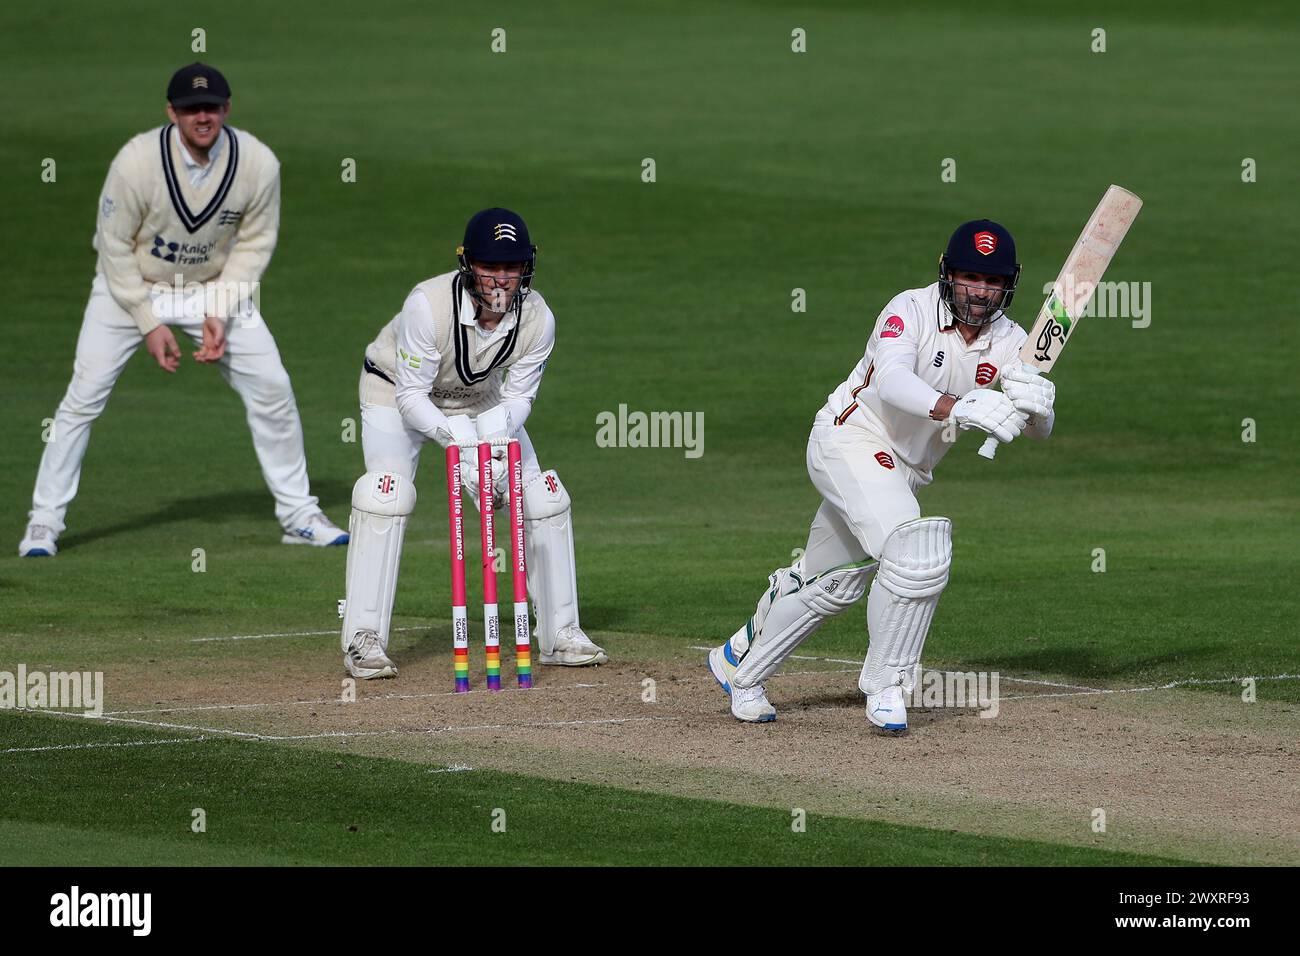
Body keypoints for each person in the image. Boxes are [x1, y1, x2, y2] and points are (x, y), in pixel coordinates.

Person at [708, 219, 1056, 730]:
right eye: (969, 278)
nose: (979, 292)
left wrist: (1040, 408)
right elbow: (892, 380)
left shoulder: (1011, 341)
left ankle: (742, 672)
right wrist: (955, 407)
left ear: (1009, 285)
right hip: (851, 438)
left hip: (906, 469)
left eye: (992, 281)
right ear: (947, 274)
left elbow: (1035, 431)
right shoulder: (908, 309)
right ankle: (886, 685)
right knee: (916, 552)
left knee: (834, 582)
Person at [18, 63, 345, 557]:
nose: (202, 116)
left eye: (211, 106)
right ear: (171, 112)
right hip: (129, 286)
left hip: (209, 286)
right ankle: (44, 522)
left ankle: (299, 514)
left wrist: (220, 308)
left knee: (272, 386)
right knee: (83, 398)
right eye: (191, 108)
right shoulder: (135, 162)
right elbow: (113, 247)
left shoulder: (258, 163)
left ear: (227, 109)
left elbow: (254, 245)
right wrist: (147, 322)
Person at [339, 207, 608, 679]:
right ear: (468, 265)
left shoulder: (538, 318)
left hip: (480, 400)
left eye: (512, 266)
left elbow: (521, 395)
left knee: (542, 495)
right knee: (386, 494)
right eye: (490, 267)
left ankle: (561, 633)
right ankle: (364, 640)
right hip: (393, 391)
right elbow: (411, 396)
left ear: (527, 267)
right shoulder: (428, 304)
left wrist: (495, 437)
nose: (501, 279)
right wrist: (459, 443)